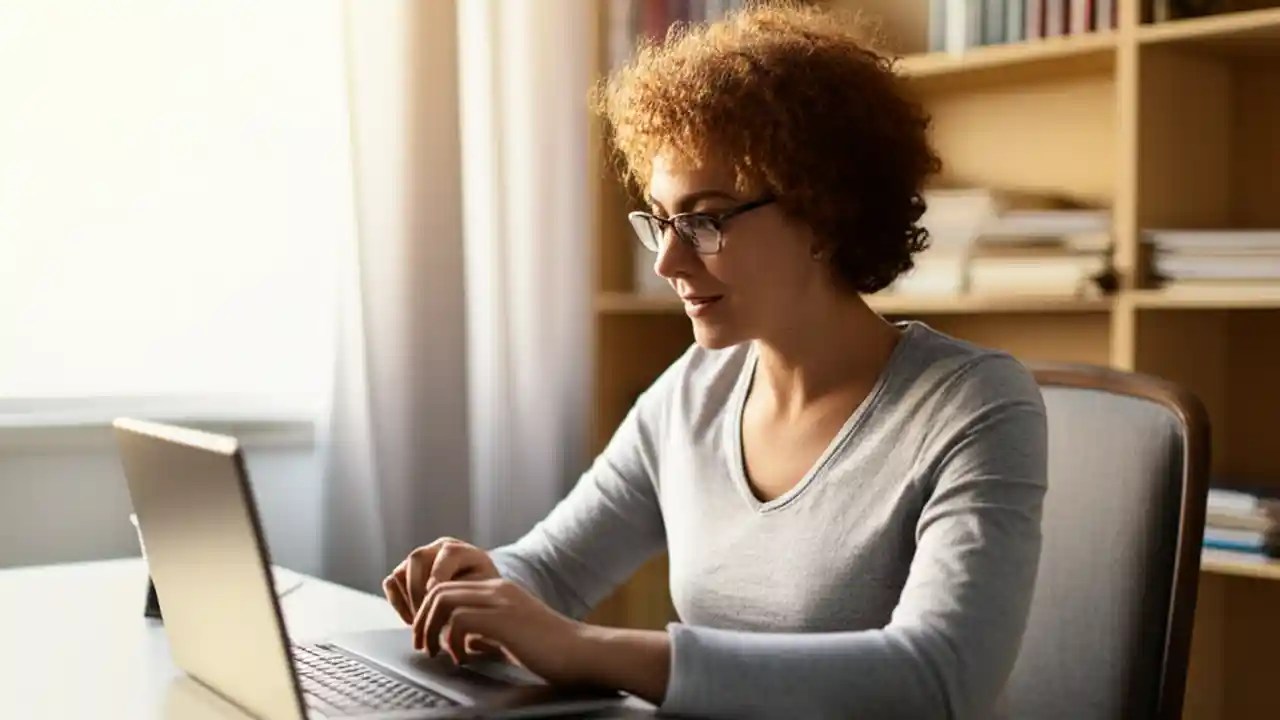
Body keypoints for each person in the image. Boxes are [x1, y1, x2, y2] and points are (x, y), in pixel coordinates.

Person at [381, 5, 1047, 718]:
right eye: (661, 220)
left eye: (704, 219)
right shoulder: (691, 394)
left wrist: (587, 649)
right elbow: (551, 569)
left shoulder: (975, 405)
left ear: (824, 213)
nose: (668, 260)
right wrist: (479, 584)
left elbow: (937, 677)